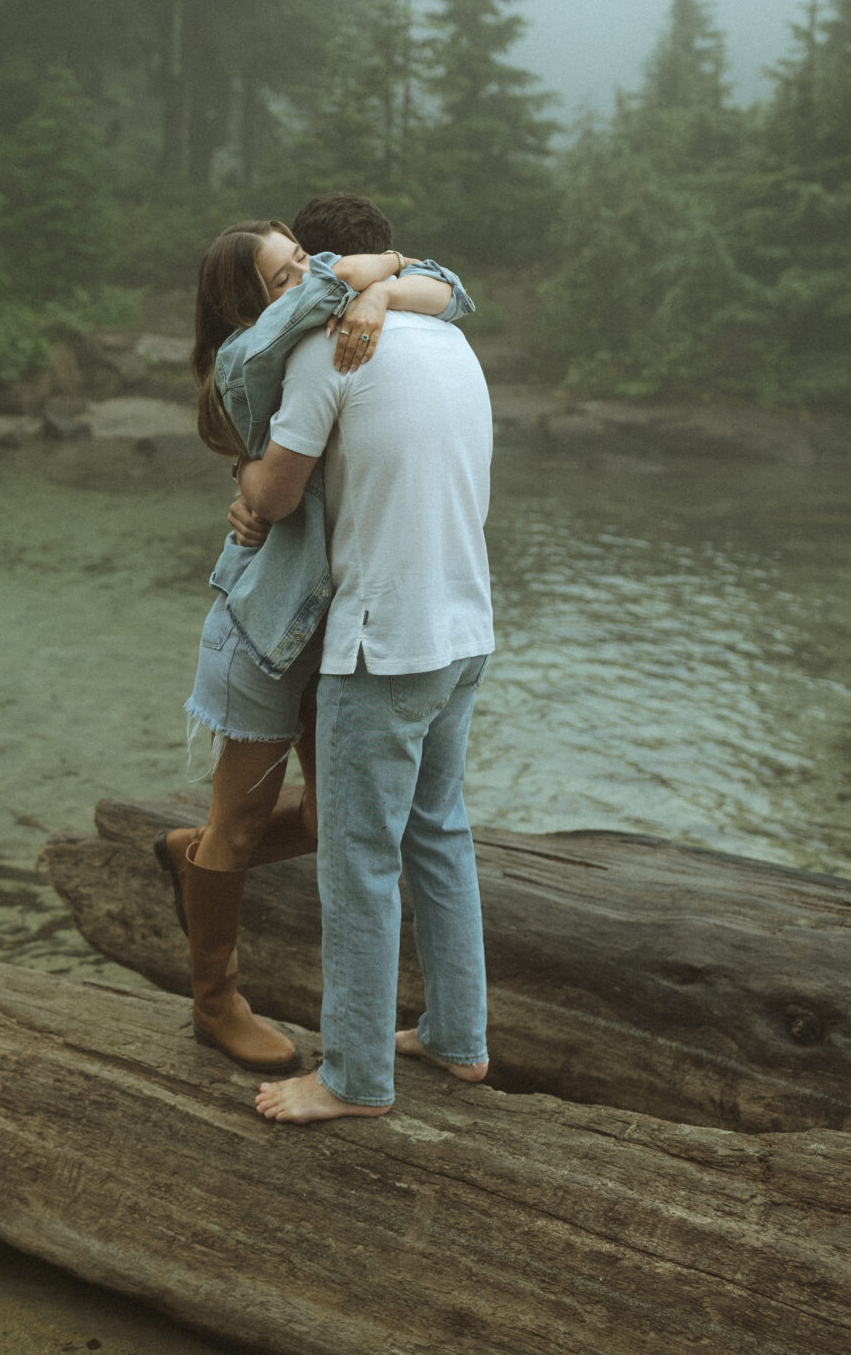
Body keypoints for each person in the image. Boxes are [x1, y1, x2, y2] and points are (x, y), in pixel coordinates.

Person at [157, 202, 473, 1077]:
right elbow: (274, 495)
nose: (307, 276)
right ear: (241, 306)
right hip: (263, 626)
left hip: (343, 627)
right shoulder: (252, 354)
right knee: (247, 816)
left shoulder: (324, 325)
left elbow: (439, 284)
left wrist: (377, 289)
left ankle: (196, 854)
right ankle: (215, 1000)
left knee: (341, 818)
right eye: (283, 274)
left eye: (303, 258)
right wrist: (368, 286)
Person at [237, 196, 494, 1122]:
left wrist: (244, 481)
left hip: (384, 644)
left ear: (323, 270)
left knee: (356, 861)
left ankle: (350, 1077)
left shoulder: (321, 352)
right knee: (439, 835)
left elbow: (277, 486)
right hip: (464, 629)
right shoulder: (448, 335)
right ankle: (458, 1039)